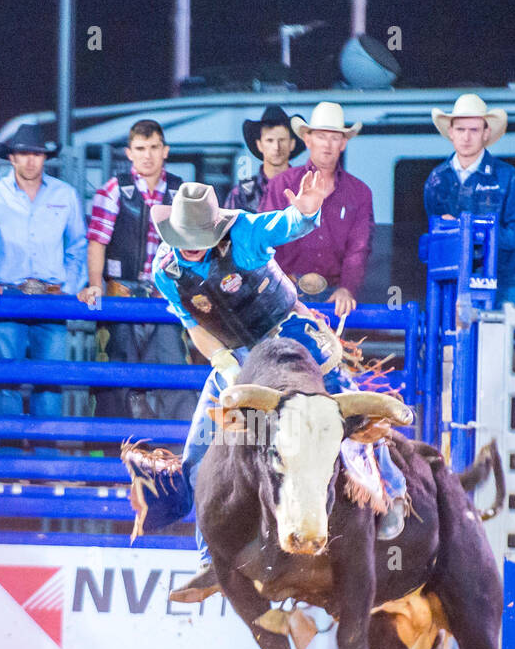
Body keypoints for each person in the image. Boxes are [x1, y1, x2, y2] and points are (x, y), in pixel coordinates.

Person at [124, 178, 409, 603]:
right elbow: (194, 327)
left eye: (198, 239)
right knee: (200, 447)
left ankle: (393, 488)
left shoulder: (243, 233)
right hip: (236, 352)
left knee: (350, 409)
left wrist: (307, 210)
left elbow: (285, 225)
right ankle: (211, 557)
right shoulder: (166, 270)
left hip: (291, 333)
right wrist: (224, 363)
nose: (191, 247)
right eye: (184, 240)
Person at [0, 123, 87, 422]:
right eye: (24, 154)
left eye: (37, 154)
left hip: (52, 299)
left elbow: (78, 247)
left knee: (51, 383)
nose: (31, 160)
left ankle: (44, 460)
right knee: (7, 383)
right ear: (12, 158)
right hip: (9, 298)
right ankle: (11, 458)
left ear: (44, 158)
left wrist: (68, 286)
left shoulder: (66, 195)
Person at [77, 119, 193, 420]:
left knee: (174, 370)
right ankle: (114, 447)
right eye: (141, 148)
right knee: (118, 373)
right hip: (122, 293)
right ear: (129, 153)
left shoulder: (181, 192)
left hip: (165, 295)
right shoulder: (114, 190)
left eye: (154, 147)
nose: (148, 155)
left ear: (165, 150)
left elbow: (194, 248)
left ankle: (178, 450)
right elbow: (97, 243)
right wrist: (95, 284)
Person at [260, 102, 372, 321]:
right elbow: (265, 240)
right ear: (308, 140)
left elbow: (359, 248)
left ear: (343, 143)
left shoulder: (360, 193)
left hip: (334, 297)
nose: (327, 145)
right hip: (285, 292)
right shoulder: (281, 184)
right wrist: (276, 287)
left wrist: (347, 289)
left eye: (334, 137)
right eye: (321, 136)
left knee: (332, 353)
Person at [423, 94, 515, 306]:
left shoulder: (510, 178)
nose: (466, 137)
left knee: (497, 338)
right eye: (460, 129)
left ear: (486, 133)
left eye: (474, 130)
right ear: (451, 132)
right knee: (450, 338)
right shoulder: (436, 179)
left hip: (503, 286)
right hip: (449, 284)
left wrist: (470, 230)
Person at [224, 105, 299, 213]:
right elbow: (227, 228)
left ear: (292, 144)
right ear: (259, 145)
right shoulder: (242, 193)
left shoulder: (304, 187)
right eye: (269, 140)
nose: (276, 147)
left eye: (282, 140)